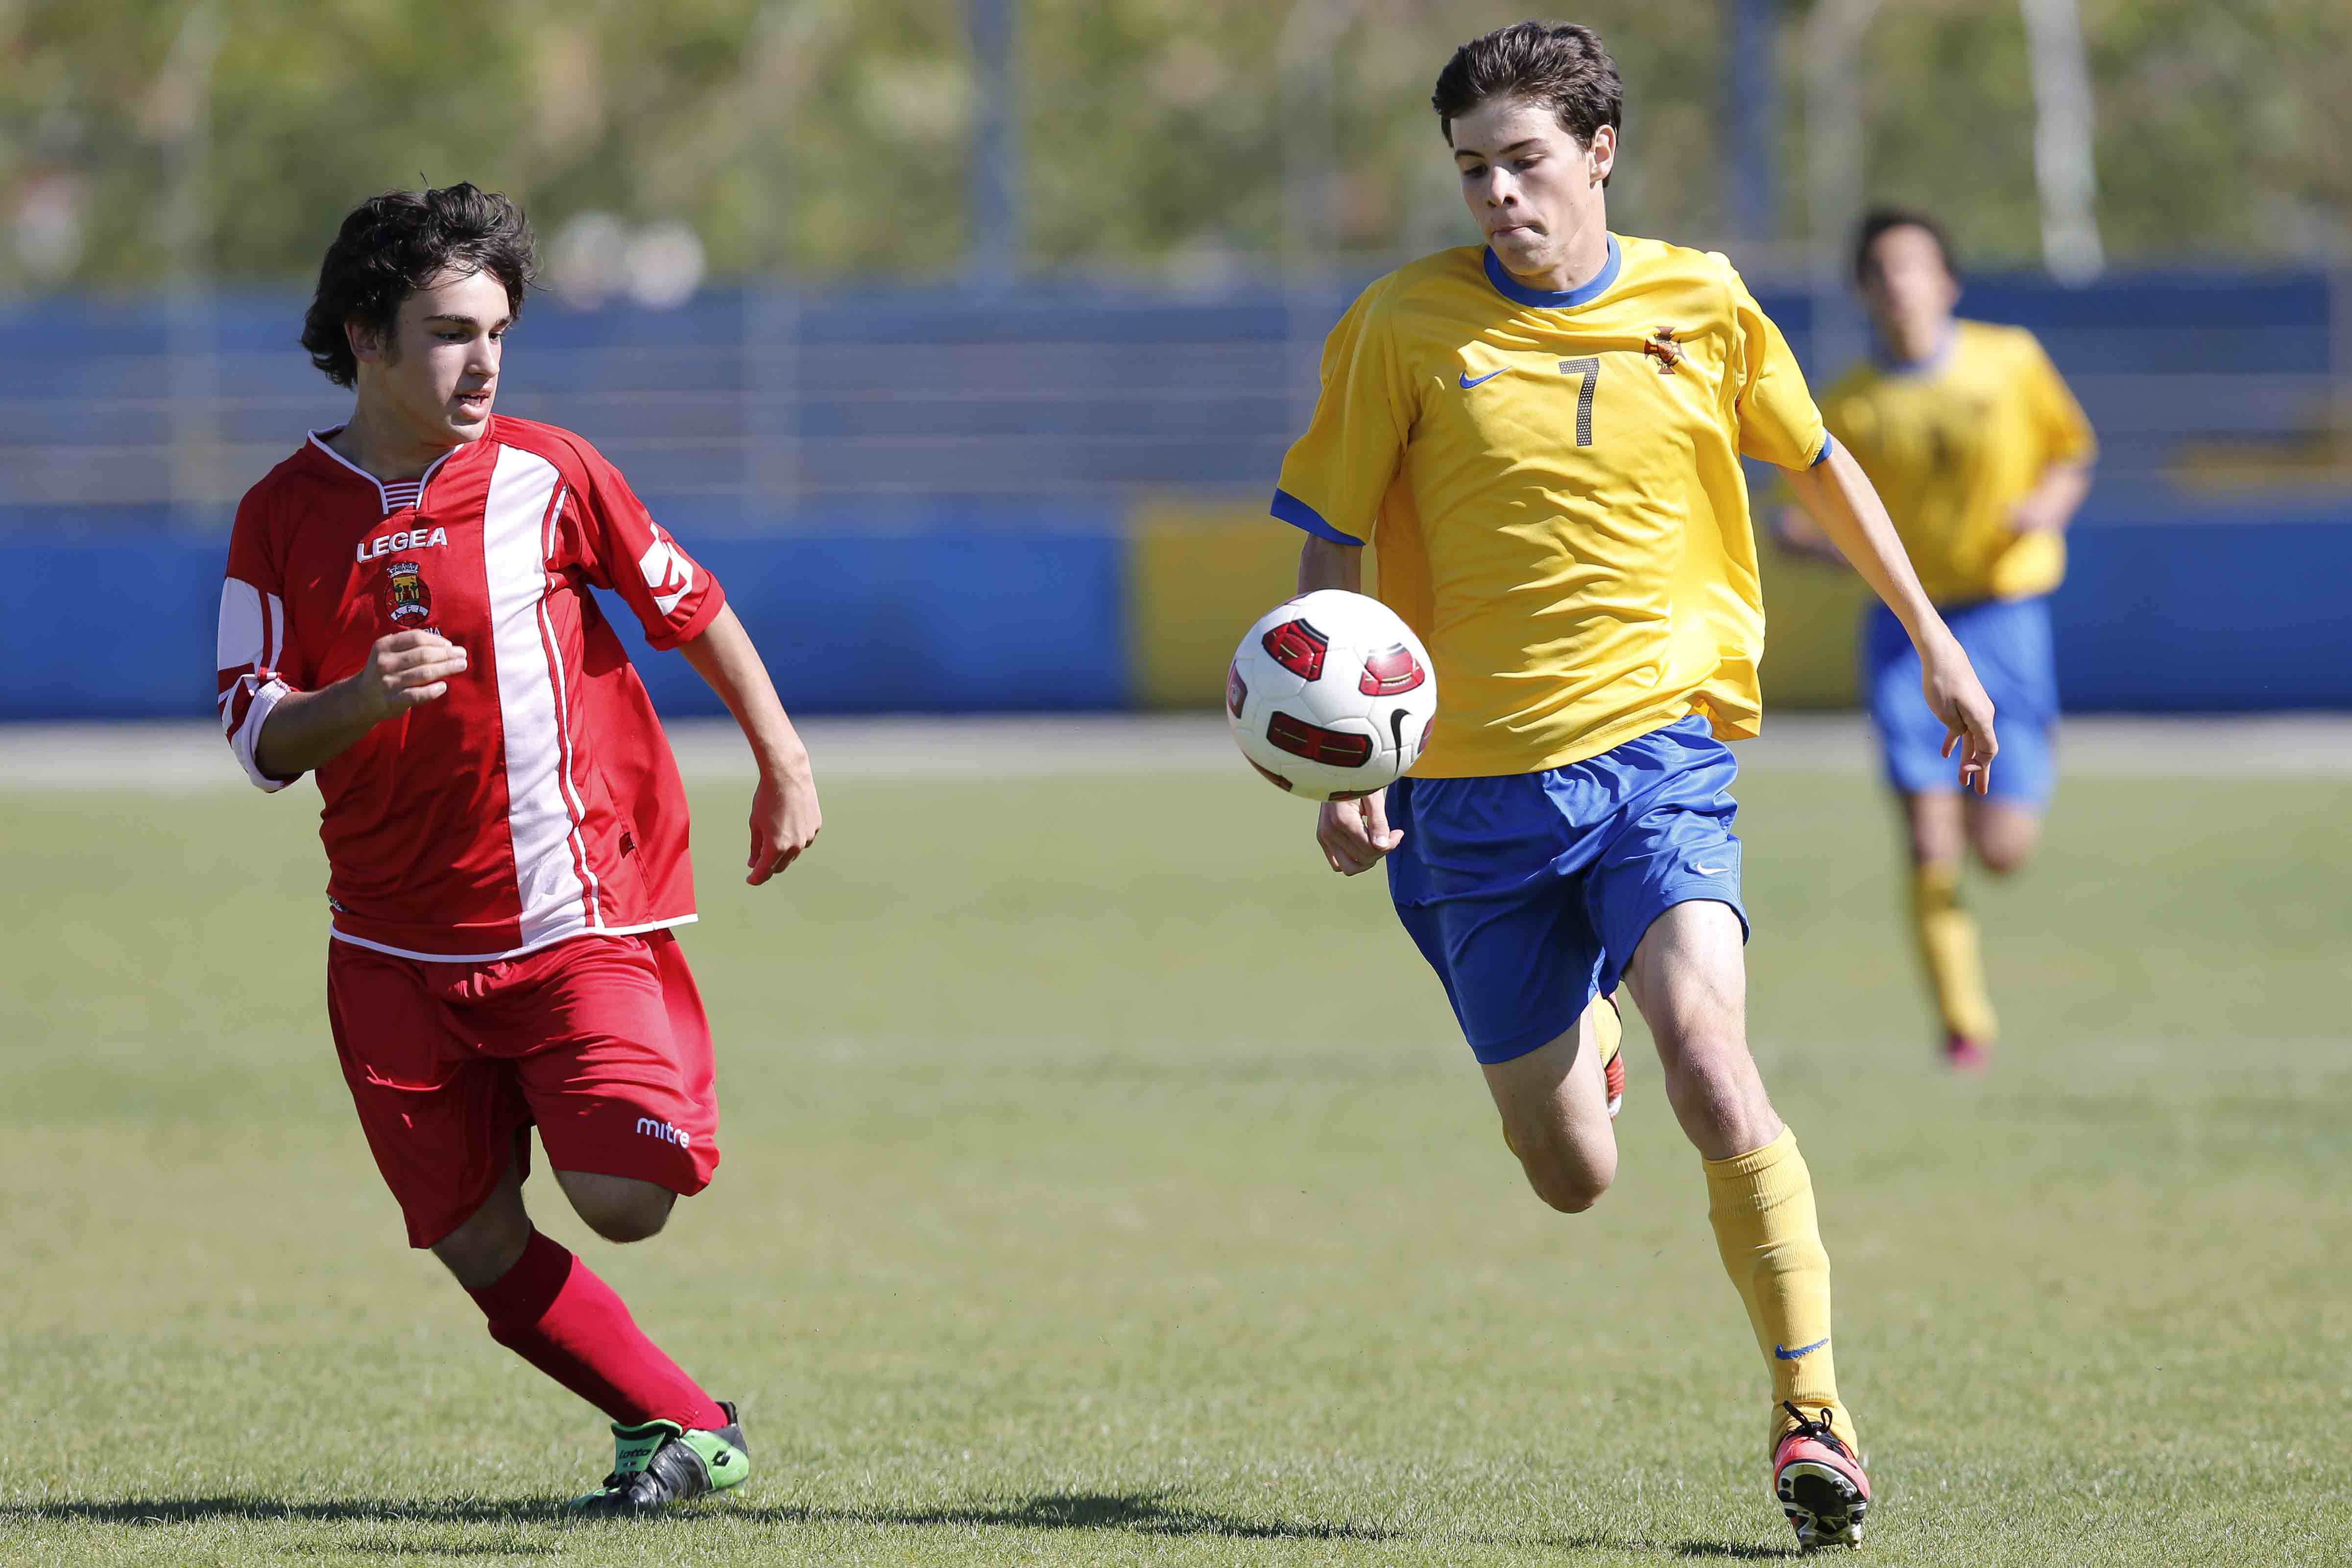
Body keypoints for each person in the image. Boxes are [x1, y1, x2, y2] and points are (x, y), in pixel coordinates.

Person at [1267, 24, 1998, 1551]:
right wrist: (1346, 757)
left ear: (1598, 152)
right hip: (1465, 801)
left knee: (1714, 1061)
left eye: (1525, 161)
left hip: (1656, 759)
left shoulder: (1705, 301)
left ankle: (1813, 1415)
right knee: (1571, 1175)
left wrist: (1931, 634)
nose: (1499, 195)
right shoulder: (1399, 326)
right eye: (1472, 170)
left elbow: (1818, 464)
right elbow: (1331, 532)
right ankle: (1578, 1047)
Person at [214, 183, 821, 1516]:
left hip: (566, 915)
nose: (484, 361)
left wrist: (782, 760)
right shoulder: (281, 512)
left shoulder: (553, 472)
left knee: (623, 1195)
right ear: (365, 337)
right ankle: (677, 1420)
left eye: (498, 331)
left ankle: (633, 1069)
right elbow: (253, 729)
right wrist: (358, 699)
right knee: (470, 1232)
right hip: (386, 947)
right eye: (448, 332)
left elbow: (693, 605)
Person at [1778, 209, 2095, 1070]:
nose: (1898, 284)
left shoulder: (2011, 360)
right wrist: (1803, 538)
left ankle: (2014, 771)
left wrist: (2046, 508)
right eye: (1879, 270)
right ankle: (1964, 1026)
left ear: (1947, 281)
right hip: (1906, 632)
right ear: (1863, 291)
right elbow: (1822, 511)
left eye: (1913, 266)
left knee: (2002, 851)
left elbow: (2069, 454)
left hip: (2003, 620)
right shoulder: (1848, 402)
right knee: (1927, 836)